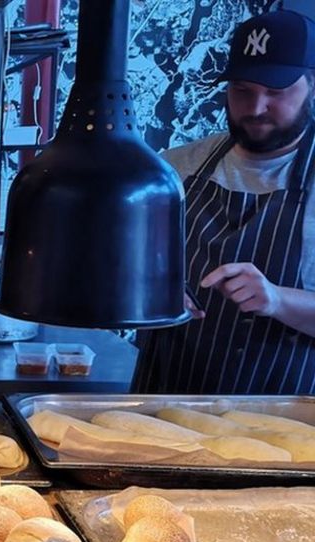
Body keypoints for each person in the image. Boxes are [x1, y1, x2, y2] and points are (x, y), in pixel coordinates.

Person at [133, 10, 315, 394]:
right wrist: (146, 291)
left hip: (278, 422)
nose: (255, 108)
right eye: (242, 90)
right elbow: (127, 267)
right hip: (163, 402)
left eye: (276, 92)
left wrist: (277, 299)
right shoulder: (175, 166)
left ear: (311, 87)